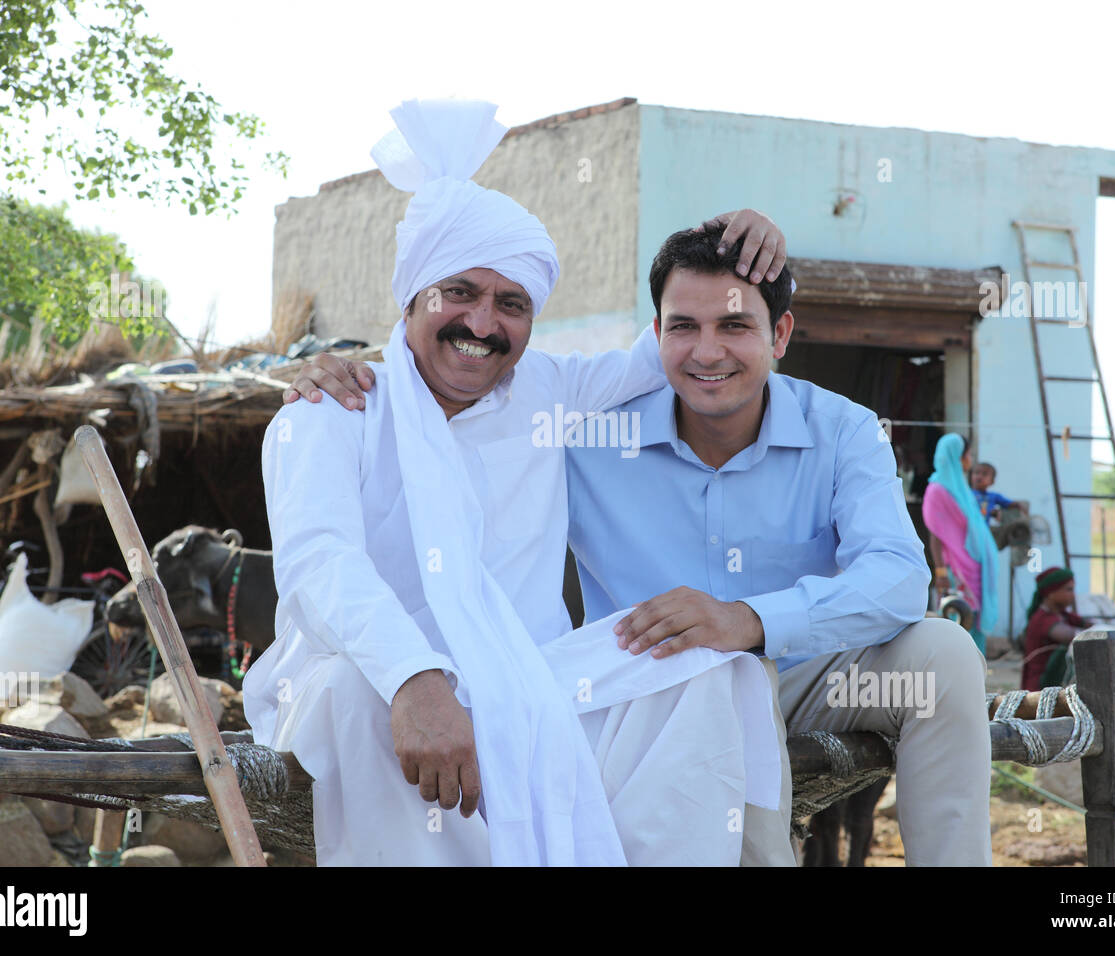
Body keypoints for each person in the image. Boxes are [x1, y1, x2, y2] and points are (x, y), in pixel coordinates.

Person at [298, 224, 994, 865]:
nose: (708, 351)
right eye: (684, 326)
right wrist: (363, 377)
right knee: (709, 685)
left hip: (810, 677)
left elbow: (900, 578)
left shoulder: (843, 430)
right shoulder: (581, 435)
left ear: (780, 334)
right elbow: (460, 412)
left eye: (735, 326)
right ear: (654, 333)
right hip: (646, 698)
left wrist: (749, 621)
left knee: (942, 655)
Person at [243, 99, 790, 866]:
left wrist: (738, 239)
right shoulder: (333, 411)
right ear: (413, 298)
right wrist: (415, 678)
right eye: (457, 292)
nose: (482, 322)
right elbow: (321, 564)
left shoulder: (544, 393)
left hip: (531, 680)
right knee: (349, 694)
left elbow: (667, 346)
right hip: (373, 681)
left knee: (703, 667)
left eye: (511, 304)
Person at [922, 433, 998, 654]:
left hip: (974, 569)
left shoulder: (961, 489)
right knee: (956, 622)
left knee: (974, 624)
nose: (970, 458)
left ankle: (976, 679)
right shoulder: (937, 491)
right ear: (959, 455)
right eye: (968, 453)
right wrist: (941, 572)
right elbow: (935, 535)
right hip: (954, 571)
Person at [1021, 567, 1092, 690]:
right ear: (1051, 593)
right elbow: (1073, 636)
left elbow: (1088, 624)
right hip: (1040, 689)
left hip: (1054, 685)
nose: (1073, 594)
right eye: (1069, 590)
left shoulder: (1063, 614)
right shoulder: (1042, 619)